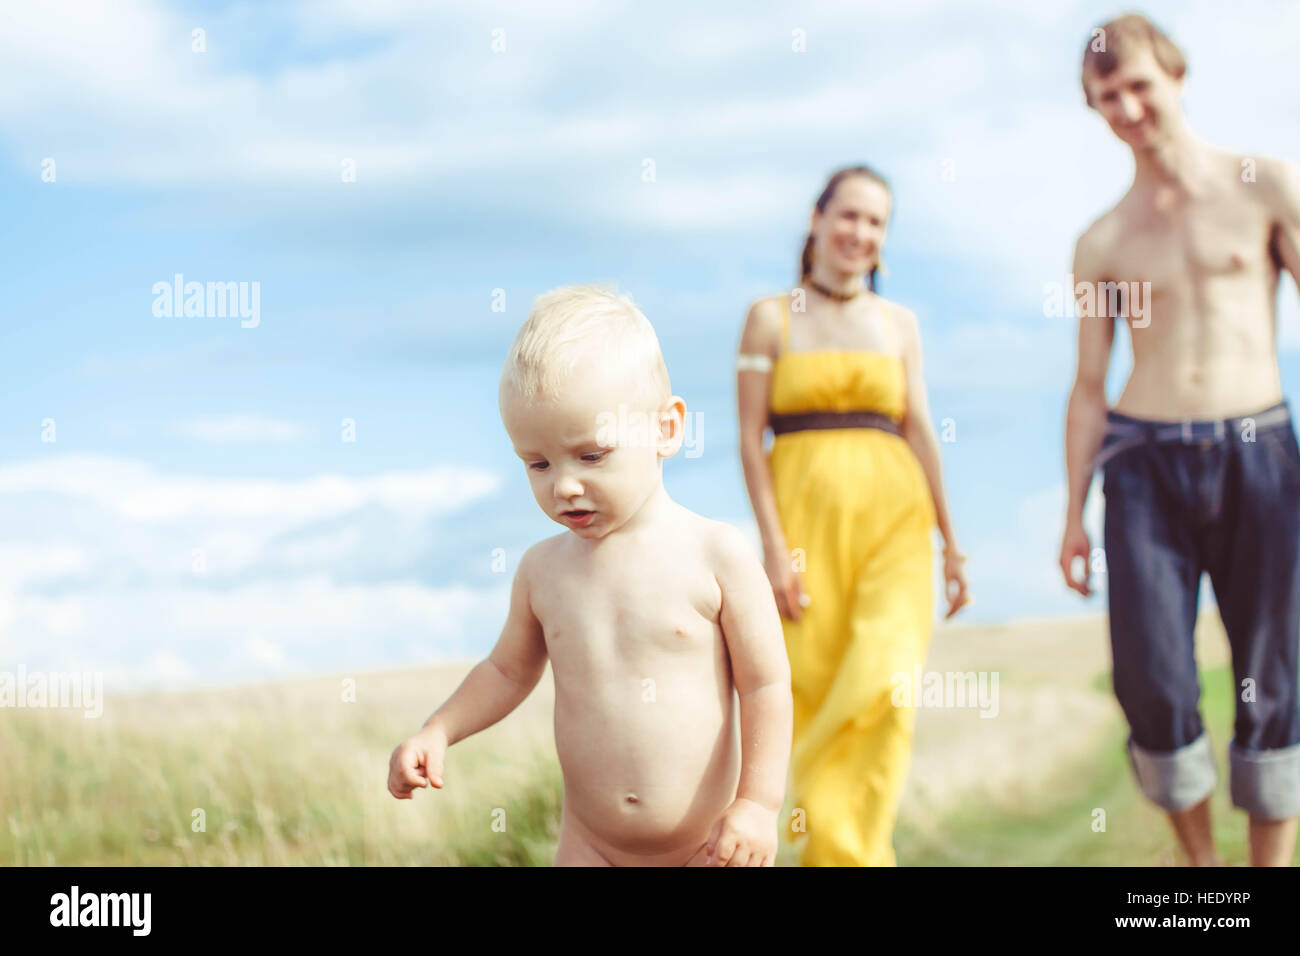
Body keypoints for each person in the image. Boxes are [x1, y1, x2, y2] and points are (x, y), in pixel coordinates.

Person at [387, 284, 792, 866]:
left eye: (592, 455)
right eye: (538, 463)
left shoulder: (718, 555)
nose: (564, 485)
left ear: (666, 430)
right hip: (590, 846)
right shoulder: (542, 572)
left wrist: (758, 803)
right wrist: (438, 730)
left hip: (710, 848)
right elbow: (505, 671)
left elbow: (766, 687)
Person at [1059, 13, 1300, 866]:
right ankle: (1203, 879)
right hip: (1141, 462)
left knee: (1274, 674)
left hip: (1260, 448)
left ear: (1177, 75)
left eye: (1138, 86)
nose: (1126, 108)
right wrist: (1071, 512)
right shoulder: (1099, 244)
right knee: (1153, 681)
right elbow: (1088, 385)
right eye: (1105, 97)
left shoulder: (1268, 186)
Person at [736, 166, 969, 866]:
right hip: (804, 524)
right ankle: (815, 849)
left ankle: (858, 855)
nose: (860, 233)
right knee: (807, 687)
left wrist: (953, 544)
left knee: (887, 685)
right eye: (849, 216)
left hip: (897, 520)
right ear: (816, 217)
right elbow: (751, 440)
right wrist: (774, 550)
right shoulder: (769, 317)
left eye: (875, 223)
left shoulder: (899, 323)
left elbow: (921, 428)